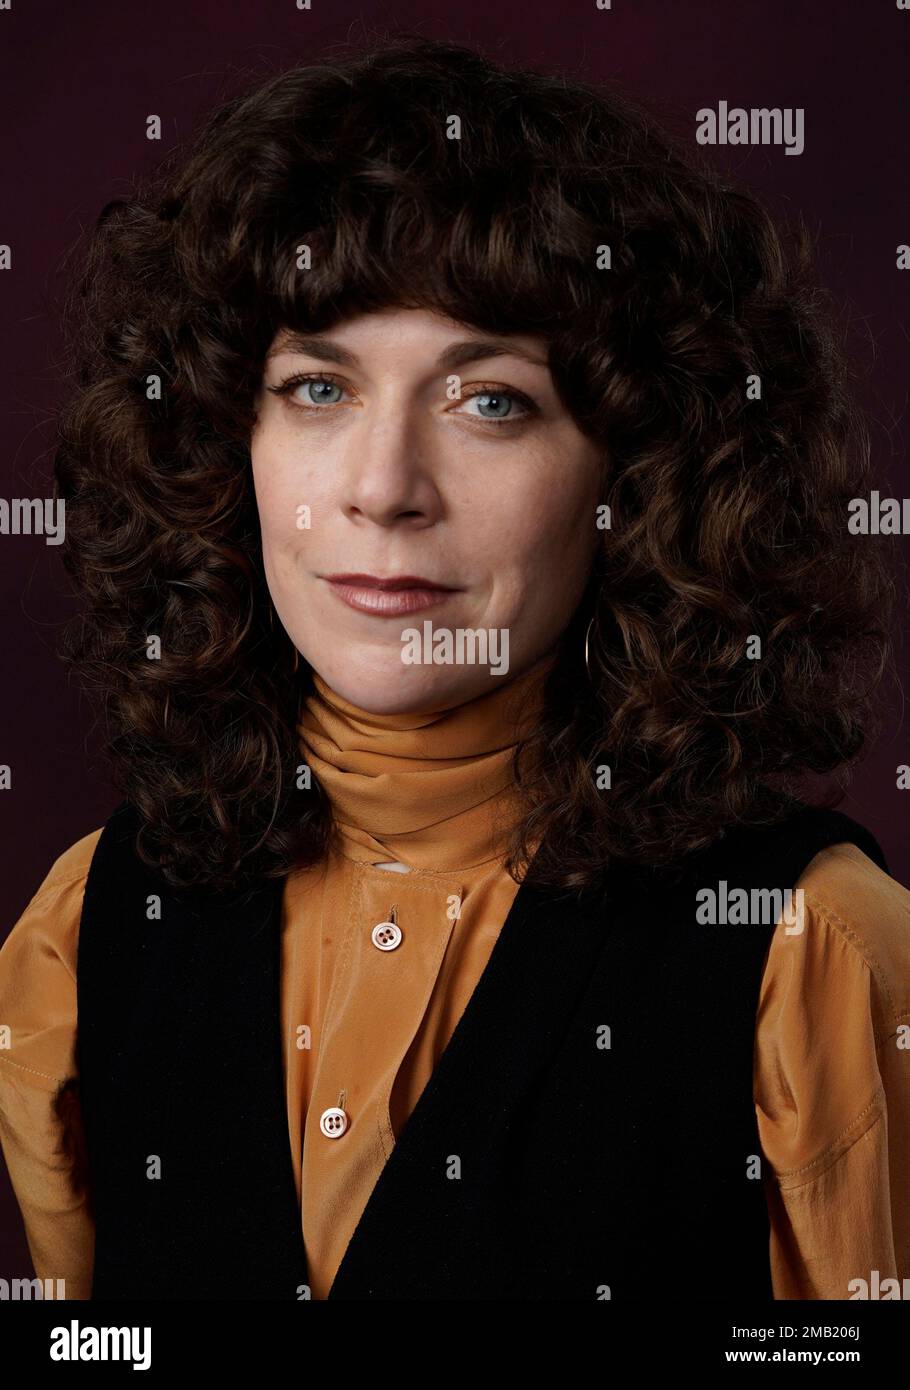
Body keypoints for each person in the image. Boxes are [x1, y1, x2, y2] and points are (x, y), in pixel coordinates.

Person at [1, 34, 908, 1302]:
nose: (382, 489)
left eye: (490, 402)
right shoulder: (83, 924)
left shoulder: (814, 950)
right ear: (227, 445)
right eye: (317, 388)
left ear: (634, 476)